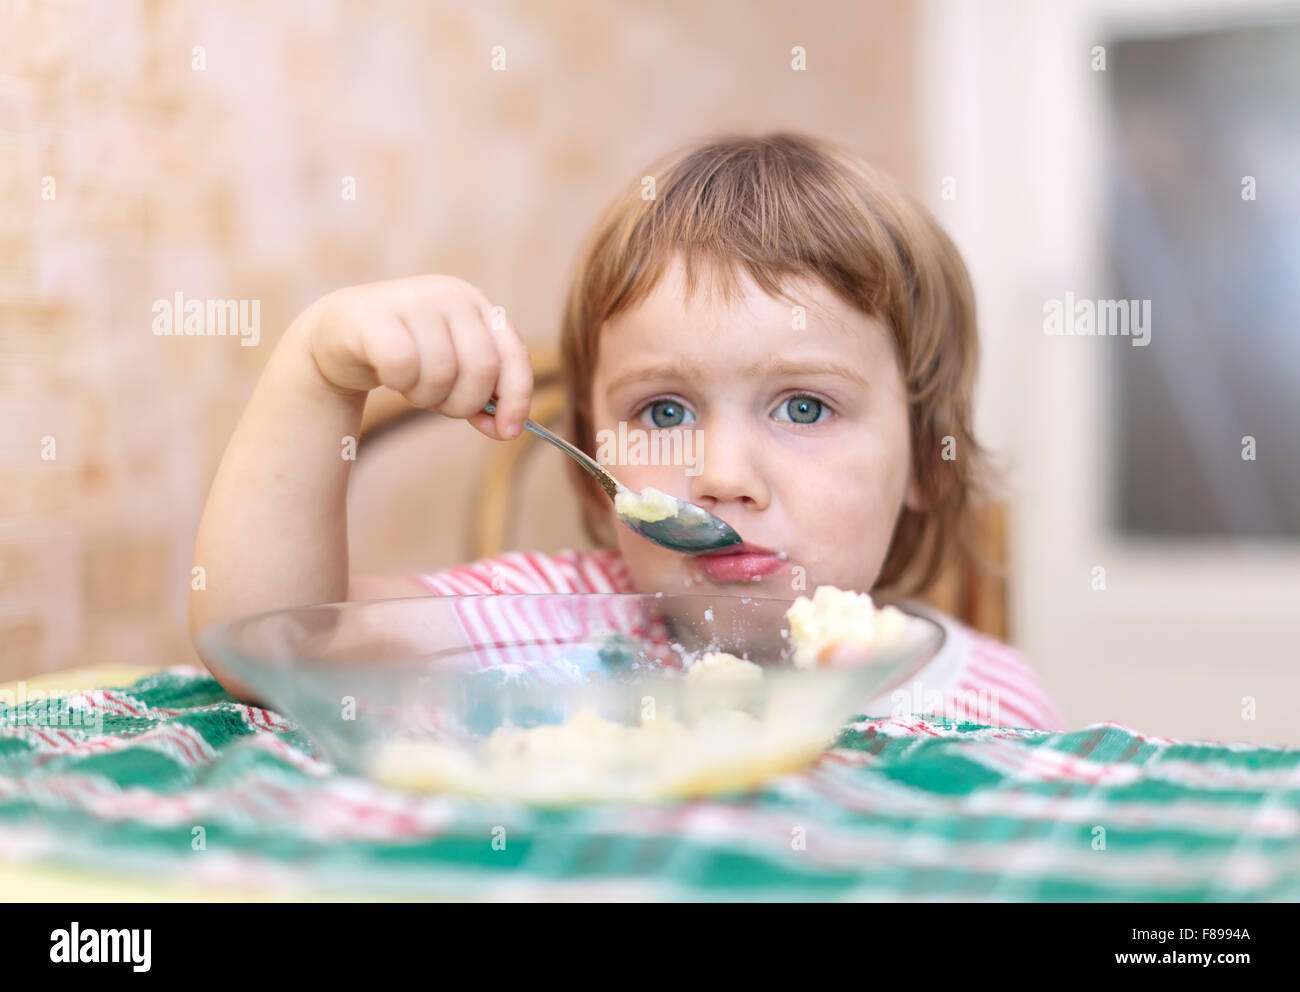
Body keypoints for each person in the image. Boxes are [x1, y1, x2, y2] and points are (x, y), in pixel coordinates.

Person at [190, 132, 1065, 731]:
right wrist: (314, 374)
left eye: (804, 407)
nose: (723, 476)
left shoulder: (989, 709)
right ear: (591, 463)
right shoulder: (556, 625)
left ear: (928, 463)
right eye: (665, 411)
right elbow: (277, 641)